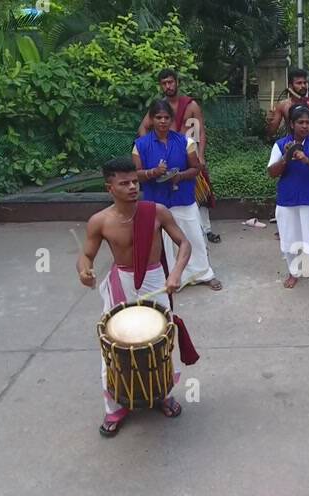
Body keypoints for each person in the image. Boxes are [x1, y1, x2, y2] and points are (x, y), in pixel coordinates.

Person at [77, 158, 192, 437]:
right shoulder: (100, 221)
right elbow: (86, 255)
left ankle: (161, 394)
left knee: (160, 343)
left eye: (135, 182)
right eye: (124, 183)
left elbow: (184, 243)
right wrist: (84, 272)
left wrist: (175, 273)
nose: (132, 187)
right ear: (110, 188)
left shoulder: (157, 212)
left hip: (155, 280)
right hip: (121, 285)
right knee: (115, 348)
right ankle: (115, 407)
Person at [133, 100, 222, 291]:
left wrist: (179, 176)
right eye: (158, 117)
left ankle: (204, 273)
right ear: (152, 119)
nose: (163, 121)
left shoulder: (185, 142)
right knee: (164, 241)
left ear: (172, 120)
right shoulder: (140, 145)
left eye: (166, 118)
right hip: (157, 200)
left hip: (183, 198)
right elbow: (135, 174)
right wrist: (153, 173)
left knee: (193, 236)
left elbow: (196, 168)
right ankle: (174, 279)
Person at [137, 69, 220, 244]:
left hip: (188, 155)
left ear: (177, 82)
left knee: (201, 195)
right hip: (164, 158)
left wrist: (201, 155)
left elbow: (199, 132)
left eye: (170, 82)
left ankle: (206, 230)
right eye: (164, 83)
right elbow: (143, 128)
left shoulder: (190, 105)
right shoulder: (160, 107)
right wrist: (149, 148)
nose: (168, 86)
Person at [267, 105, 309, 288]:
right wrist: (286, 157)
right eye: (300, 122)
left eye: (308, 122)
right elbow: (271, 172)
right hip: (287, 199)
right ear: (291, 124)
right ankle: (294, 271)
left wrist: (307, 160)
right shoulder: (280, 144)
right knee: (289, 236)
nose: (305, 126)